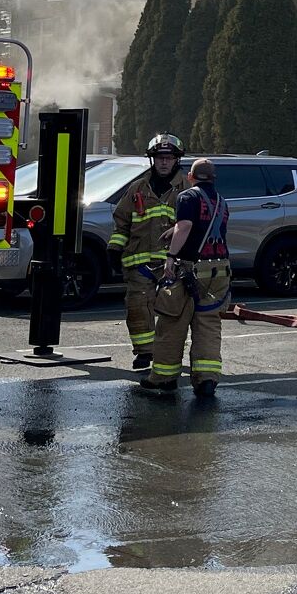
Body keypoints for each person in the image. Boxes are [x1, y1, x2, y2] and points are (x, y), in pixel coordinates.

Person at [142, 156, 231, 400]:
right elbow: (206, 227)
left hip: (190, 270)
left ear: (190, 177)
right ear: (213, 178)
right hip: (219, 271)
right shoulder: (221, 202)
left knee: (172, 322)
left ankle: (163, 378)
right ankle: (207, 381)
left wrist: (171, 256)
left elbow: (186, 227)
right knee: (208, 326)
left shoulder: (187, 197)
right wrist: (178, 229)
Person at [107, 134, 187, 370]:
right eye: (160, 157)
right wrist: (114, 248)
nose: (164, 162)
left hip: (174, 265)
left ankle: (168, 355)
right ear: (153, 160)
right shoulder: (137, 189)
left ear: (176, 160)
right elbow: (122, 223)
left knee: (172, 313)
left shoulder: (187, 189)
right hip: (139, 264)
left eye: (169, 157)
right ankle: (144, 352)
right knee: (137, 309)